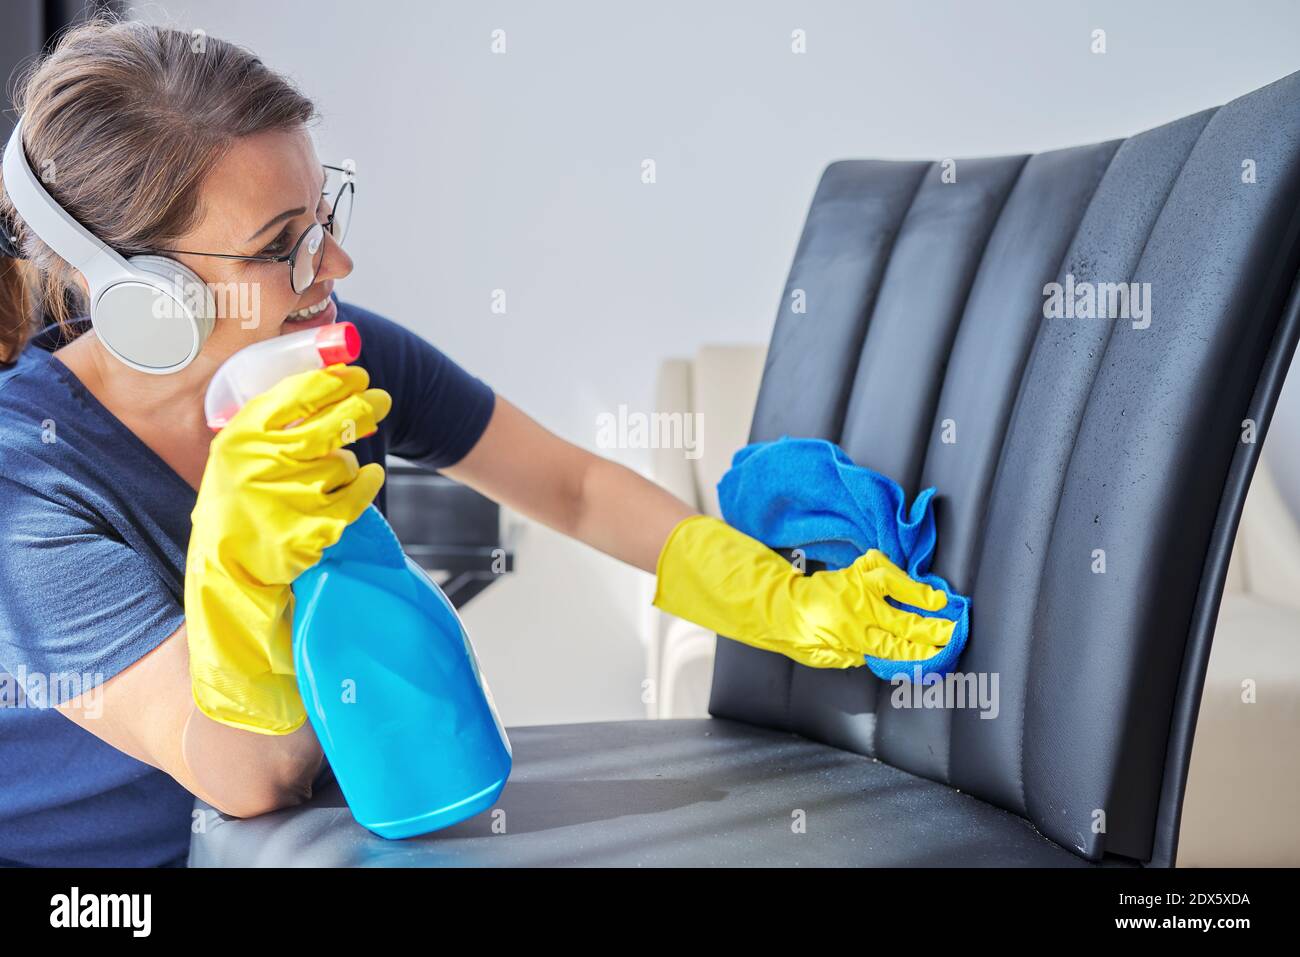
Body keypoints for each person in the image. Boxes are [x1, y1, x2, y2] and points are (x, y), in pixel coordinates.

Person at [0, 18, 952, 867]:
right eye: (281, 242)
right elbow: (246, 775)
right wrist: (237, 573)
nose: (336, 263)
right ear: (145, 302)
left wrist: (776, 596)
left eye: (325, 214)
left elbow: (572, 487)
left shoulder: (336, 360)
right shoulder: (28, 485)